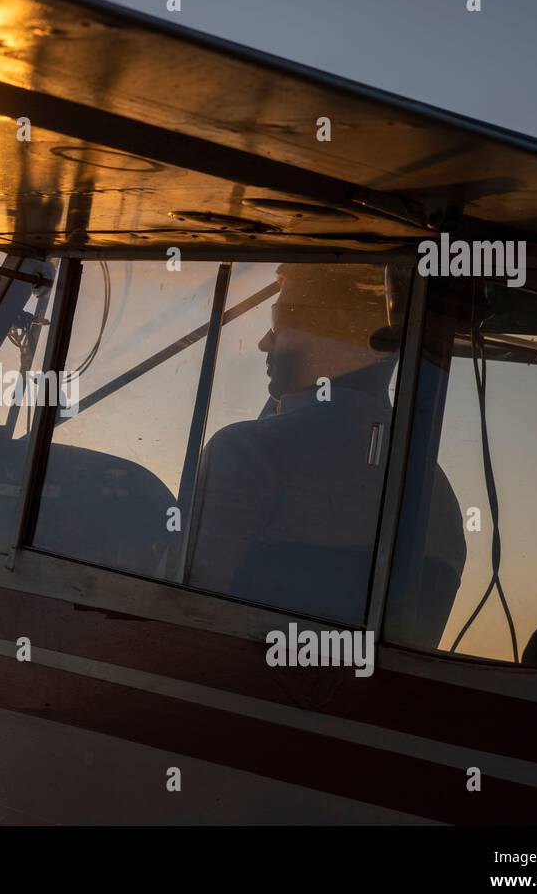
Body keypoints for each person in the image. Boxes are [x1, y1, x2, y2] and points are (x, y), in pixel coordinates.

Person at [187, 263, 465, 628]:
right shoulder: (437, 493)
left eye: (278, 321)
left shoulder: (246, 453)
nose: (263, 343)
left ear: (337, 330)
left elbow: (183, 616)